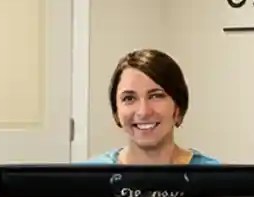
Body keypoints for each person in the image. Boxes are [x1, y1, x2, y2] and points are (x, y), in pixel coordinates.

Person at [85, 48, 219, 165]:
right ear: (116, 112)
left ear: (178, 108)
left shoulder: (215, 178)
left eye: (156, 96)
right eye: (129, 98)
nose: (143, 112)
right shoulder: (87, 179)